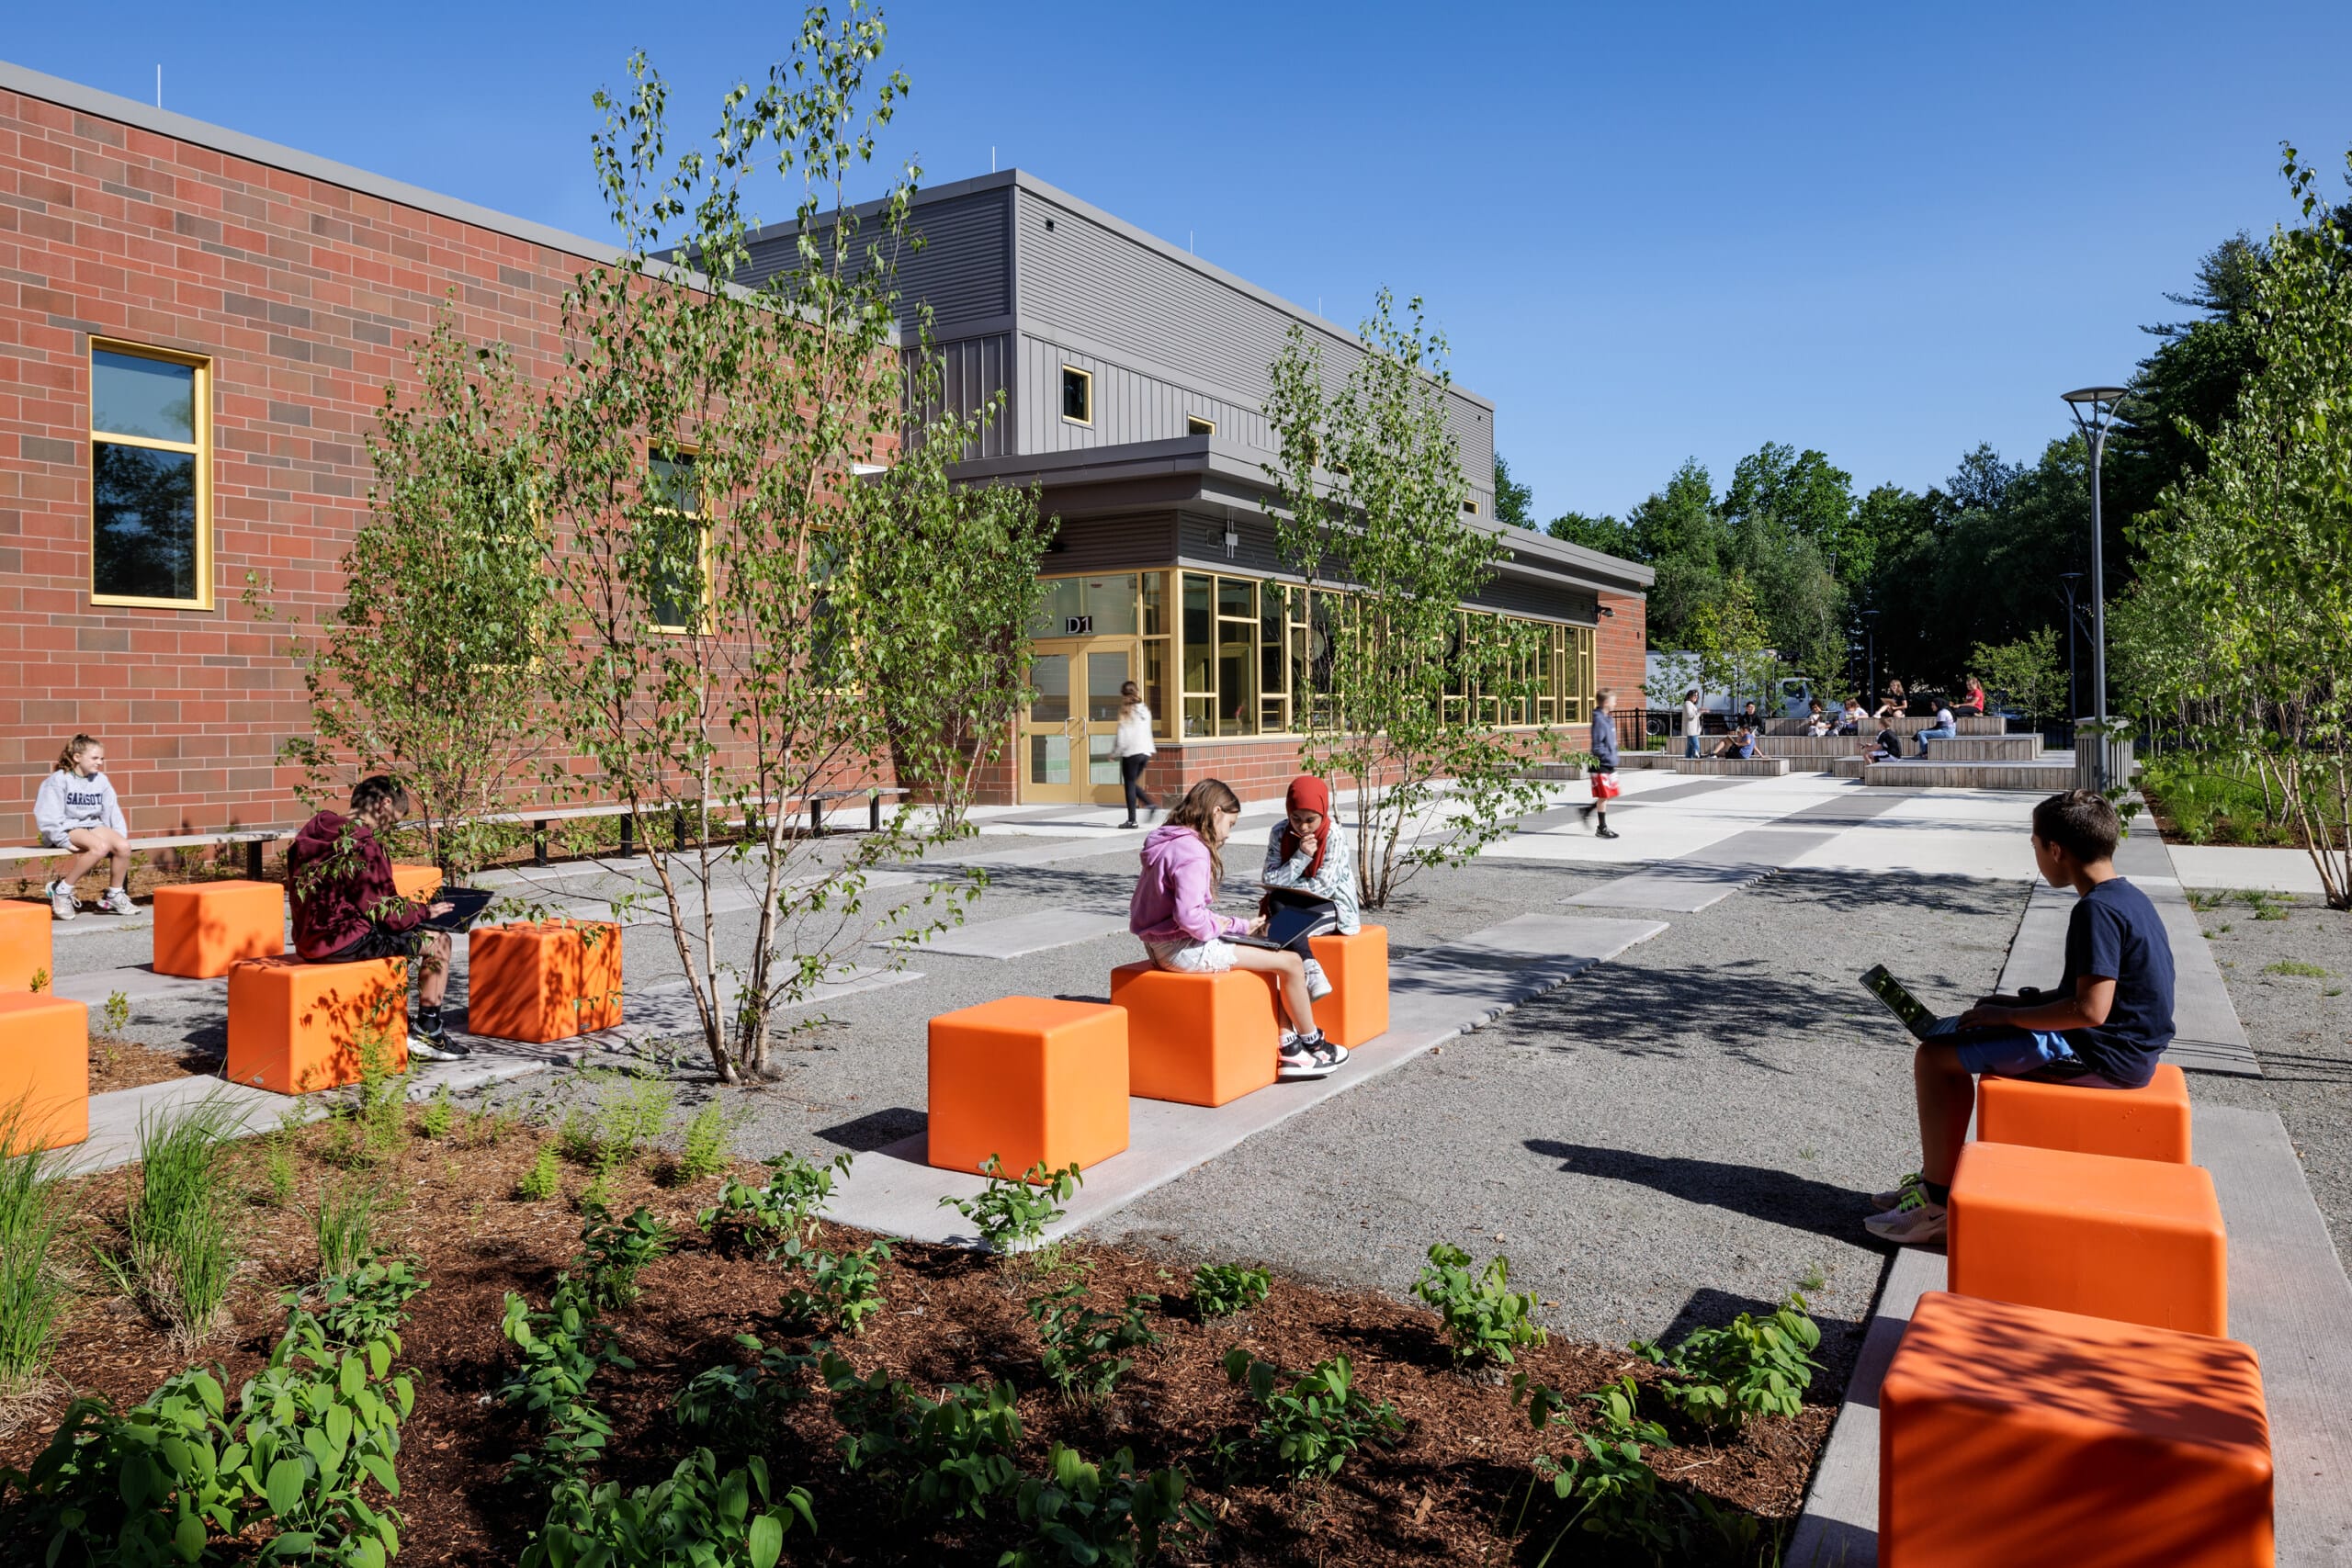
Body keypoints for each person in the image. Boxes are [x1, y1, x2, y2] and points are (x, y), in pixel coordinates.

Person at [1867, 790, 2177, 1245]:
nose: (2036, 856)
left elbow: (2090, 1010)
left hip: (2104, 1058)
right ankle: (1938, 1182)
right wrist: (2013, 1006)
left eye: (2034, 845)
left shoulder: (2095, 912)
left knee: (1933, 1058)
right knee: (1950, 1045)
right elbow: (2084, 996)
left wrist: (2011, 1021)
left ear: (2056, 849)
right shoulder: (2127, 897)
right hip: (2121, 1048)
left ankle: (1938, 1204)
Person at [1131, 779, 1339, 1080]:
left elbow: (1183, 913)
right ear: (1216, 812)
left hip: (1160, 945)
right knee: (1291, 962)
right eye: (1230, 823)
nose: (1229, 833)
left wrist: (1240, 927)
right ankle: (1313, 1044)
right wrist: (1229, 928)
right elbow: (1190, 918)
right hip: (1182, 950)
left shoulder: (1168, 840)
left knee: (1271, 954)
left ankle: (1290, 1044)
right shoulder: (1193, 851)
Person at [287, 775, 469, 1062]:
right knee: (439, 942)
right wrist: (425, 912)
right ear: (385, 803)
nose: (389, 828)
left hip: (309, 940)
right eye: (394, 820)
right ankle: (429, 1031)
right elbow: (387, 913)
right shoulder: (364, 844)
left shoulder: (312, 833)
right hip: (345, 941)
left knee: (409, 932)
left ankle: (400, 1016)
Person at [1260, 774, 1361, 1002]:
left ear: (1323, 813)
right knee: (1277, 901)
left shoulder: (1334, 835)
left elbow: (1323, 888)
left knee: (1283, 923)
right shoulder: (1280, 832)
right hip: (1293, 902)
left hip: (1333, 905)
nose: (1303, 826)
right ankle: (1312, 969)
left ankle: (1307, 974)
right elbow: (1269, 879)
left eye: (1310, 820)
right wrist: (1301, 856)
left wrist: (1286, 883)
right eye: (1295, 818)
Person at [34, 734, 135, 922]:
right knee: (100, 847)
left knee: (123, 847)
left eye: (102, 758)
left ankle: (114, 895)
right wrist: (62, 840)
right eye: (95, 758)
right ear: (77, 757)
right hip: (66, 827)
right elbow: (47, 814)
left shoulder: (101, 780)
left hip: (93, 825)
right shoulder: (58, 780)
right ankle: (61, 890)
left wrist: (118, 836)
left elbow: (112, 810)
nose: (100, 763)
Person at [1114, 681, 1159, 829]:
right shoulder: (1144, 709)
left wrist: (1115, 752)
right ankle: (1150, 804)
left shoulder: (1126, 710)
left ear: (1123, 694)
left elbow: (1122, 734)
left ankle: (1132, 820)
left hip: (1132, 752)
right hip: (1145, 751)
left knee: (1129, 785)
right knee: (1131, 783)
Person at [1578, 688, 1621, 839]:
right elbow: (1596, 746)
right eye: (1614, 701)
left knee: (1612, 793)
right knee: (1604, 795)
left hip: (1609, 762)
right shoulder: (1599, 720)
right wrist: (1608, 756)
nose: (1616, 703)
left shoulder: (1608, 719)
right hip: (1601, 764)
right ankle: (1602, 828)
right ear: (1606, 702)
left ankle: (1587, 810)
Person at [1680, 689, 1702, 760]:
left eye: (1697, 695)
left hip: (1692, 730)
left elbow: (1694, 715)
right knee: (1696, 746)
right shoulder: (1688, 703)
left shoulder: (1690, 704)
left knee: (1689, 749)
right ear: (1690, 696)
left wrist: (1700, 712)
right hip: (1691, 730)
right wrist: (1698, 712)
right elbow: (1689, 715)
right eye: (1694, 695)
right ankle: (1695, 759)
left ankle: (1687, 762)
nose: (1696, 697)